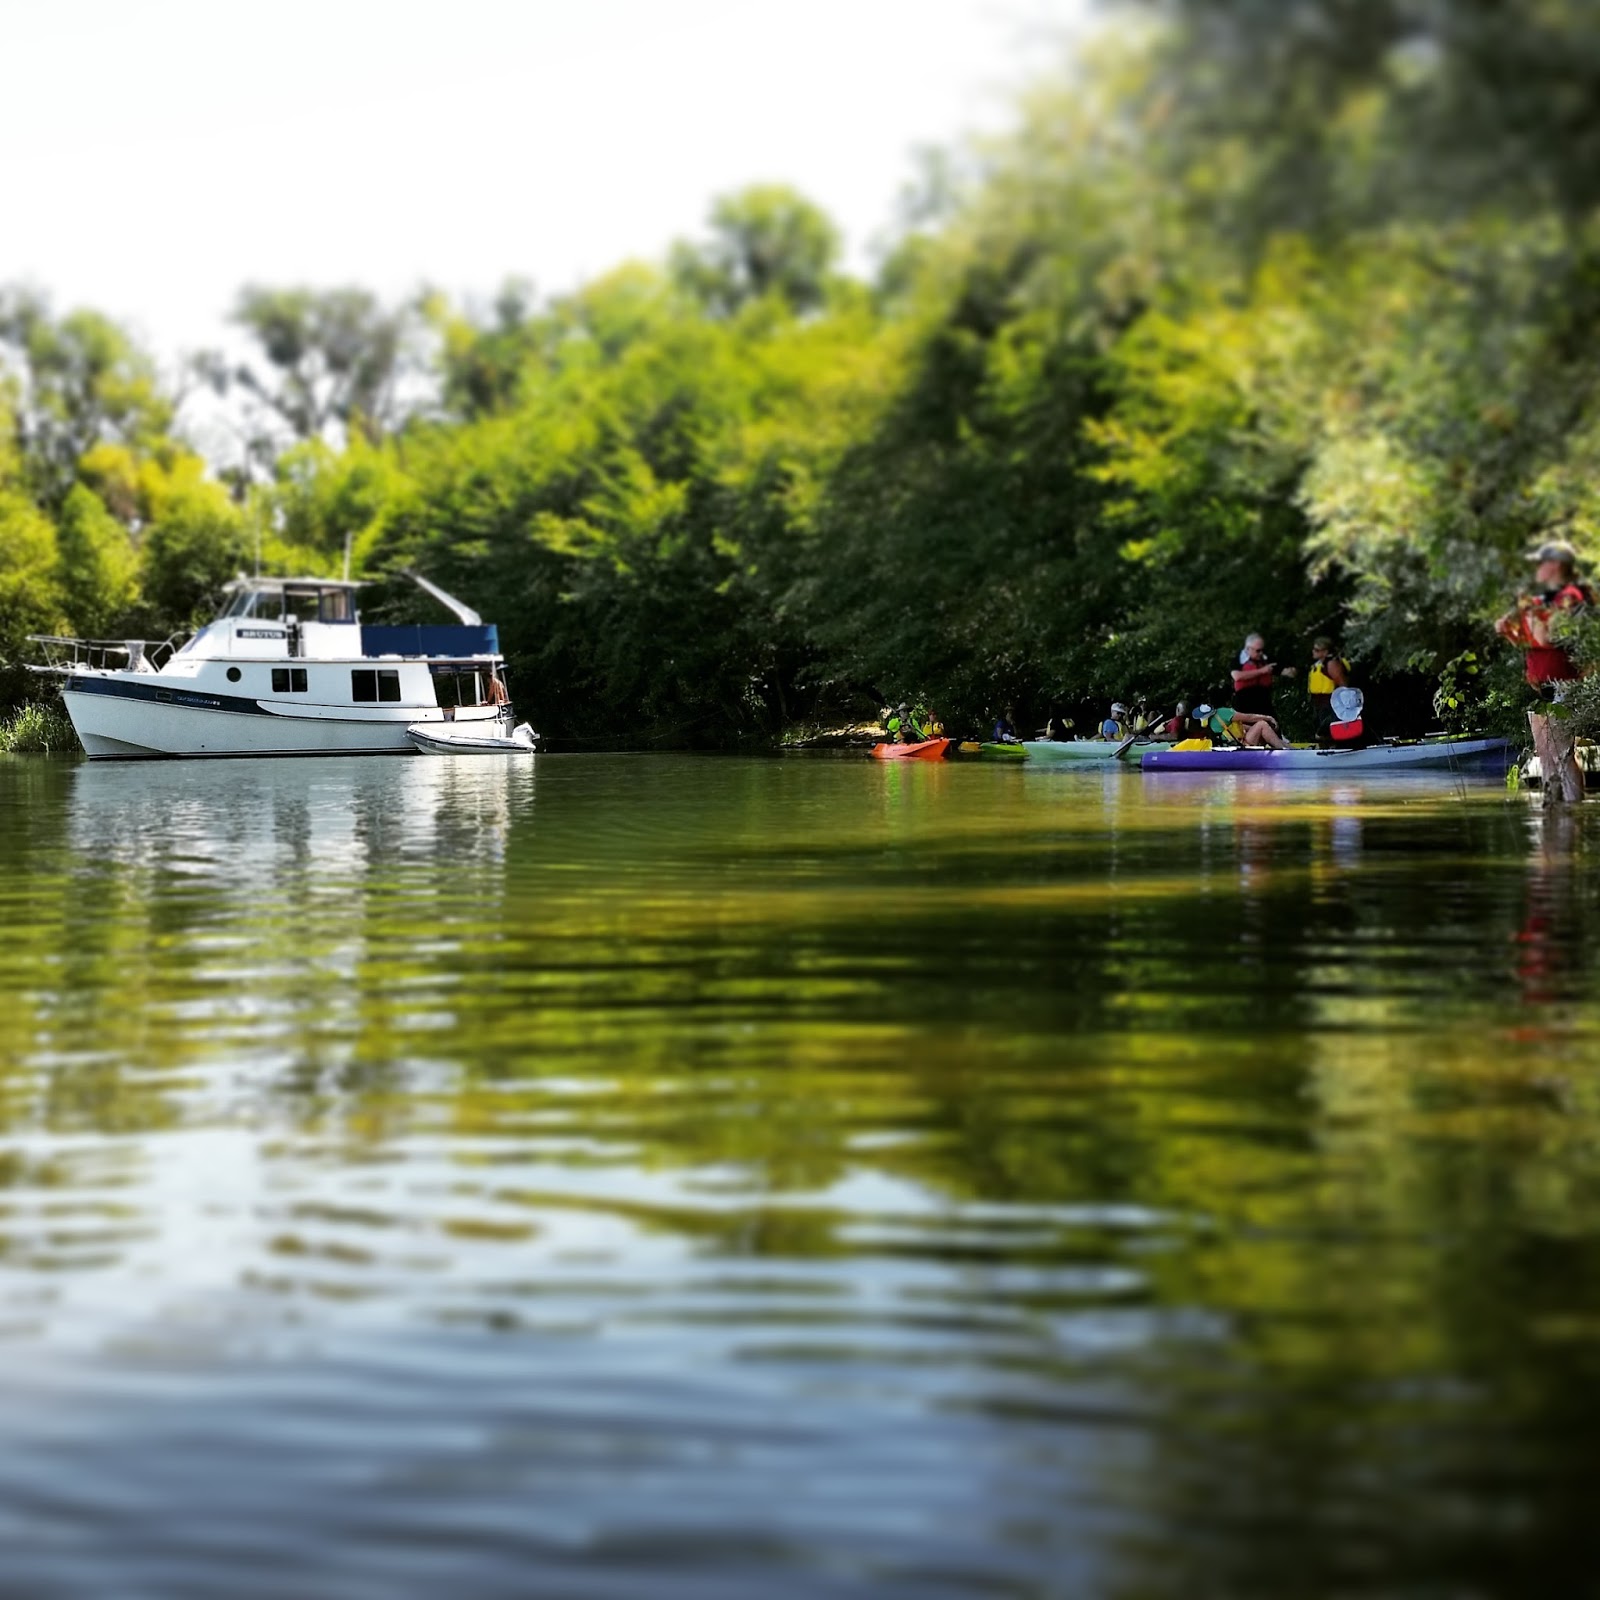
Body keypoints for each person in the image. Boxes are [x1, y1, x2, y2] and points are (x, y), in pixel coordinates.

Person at [1495, 538, 1595, 804]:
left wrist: (1526, 620)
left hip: (1565, 681)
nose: (1537, 568)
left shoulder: (1569, 596)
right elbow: (1529, 643)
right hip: (1544, 683)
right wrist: (1510, 631)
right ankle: (1553, 815)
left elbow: (1548, 639)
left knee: (1562, 754)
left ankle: (1573, 813)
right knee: (1546, 754)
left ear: (1555, 565)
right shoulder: (1543, 599)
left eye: (1541, 563)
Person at [1230, 633, 1296, 717]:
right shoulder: (1238, 660)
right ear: (1248, 649)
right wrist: (1262, 671)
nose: (1261, 653)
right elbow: (1237, 676)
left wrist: (1289, 671)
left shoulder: (1266, 659)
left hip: (1264, 700)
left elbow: (1282, 669)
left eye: (1262, 650)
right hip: (1244, 702)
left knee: (1272, 725)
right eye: (1258, 651)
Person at [1193, 702, 1289, 750]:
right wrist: (1268, 718)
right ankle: (1285, 750)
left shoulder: (1210, 724)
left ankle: (1288, 748)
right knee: (1262, 724)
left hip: (1232, 747)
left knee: (1262, 730)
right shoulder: (1222, 713)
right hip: (1242, 746)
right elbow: (1249, 717)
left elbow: (1238, 728)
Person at [1306, 637, 1350, 732]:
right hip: (1319, 703)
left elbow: (1343, 685)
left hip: (1330, 703)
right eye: (1314, 649)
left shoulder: (1331, 664)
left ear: (1325, 652)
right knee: (1319, 729)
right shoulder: (1319, 664)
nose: (1313, 652)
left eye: (1317, 650)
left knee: (1326, 731)